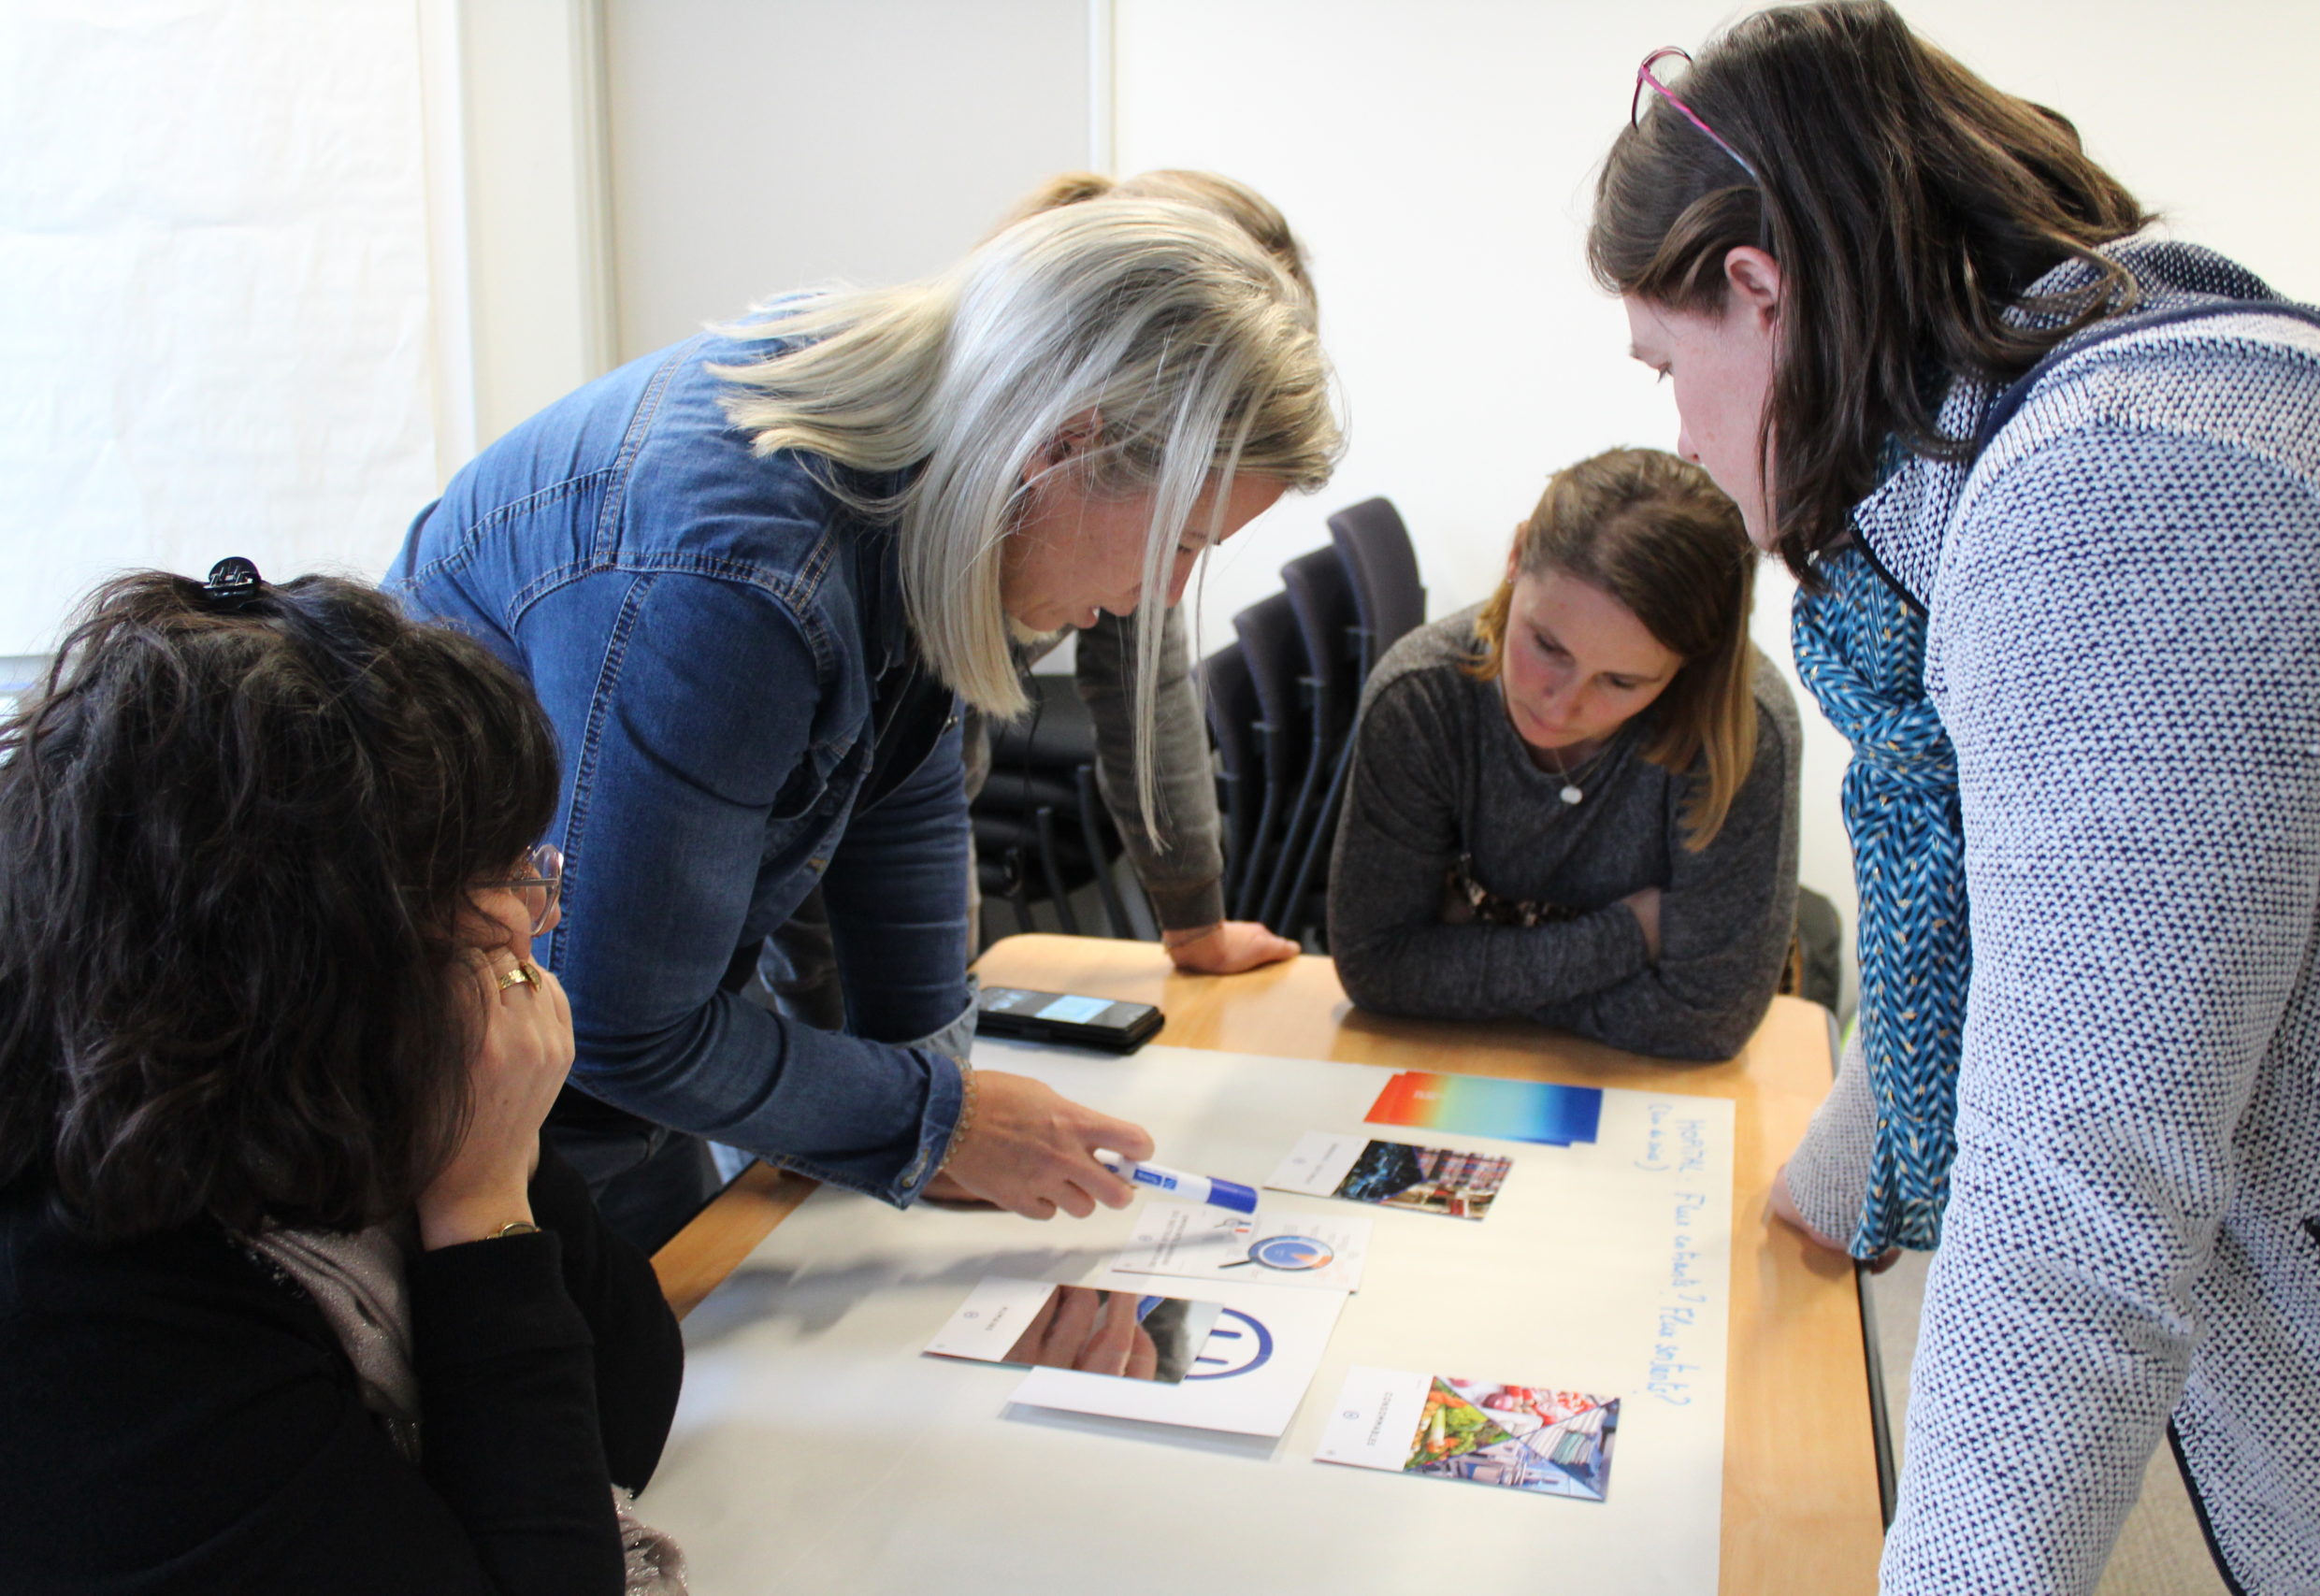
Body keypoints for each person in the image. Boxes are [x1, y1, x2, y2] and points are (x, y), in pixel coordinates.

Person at [1590, 4, 2320, 1590]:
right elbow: (2052, 950)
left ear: (1759, 289)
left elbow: (2076, 1222)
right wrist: (1826, 1188)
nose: (1678, 430)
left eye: (1668, 365)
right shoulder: (2154, 390)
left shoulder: (2118, 493)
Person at [390, 195, 1340, 1251]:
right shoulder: (733, 581)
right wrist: (941, 1120)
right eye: (1182, 541)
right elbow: (619, 1025)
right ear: (1067, 444)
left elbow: (897, 772)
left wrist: (937, 1089)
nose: (1163, 595)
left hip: (584, 1059)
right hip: (448, 1078)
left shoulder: (931, 445)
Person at [0, 566, 683, 1595]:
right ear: (307, 952)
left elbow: (630, 1411)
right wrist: (483, 1214)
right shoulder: (90, 1315)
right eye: (490, 877)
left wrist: (495, 1144)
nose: (533, 916)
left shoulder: (326, 1092)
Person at [766, 169, 1323, 1038]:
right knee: (832, 1019)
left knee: (922, 1014)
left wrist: (1193, 914)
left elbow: (1145, 691)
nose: (1172, 585)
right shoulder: (831, 542)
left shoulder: (1122, 494)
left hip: (929, 751)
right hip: (834, 757)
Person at [1327, 448, 1799, 1060]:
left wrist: (1472, 960)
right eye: (1548, 645)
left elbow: (1707, 1019)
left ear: (1689, 665)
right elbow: (1378, 966)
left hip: (1659, 1086)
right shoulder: (1421, 696)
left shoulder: (1741, 729)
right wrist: (1633, 934)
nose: (1562, 704)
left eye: (1622, 682)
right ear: (1517, 554)